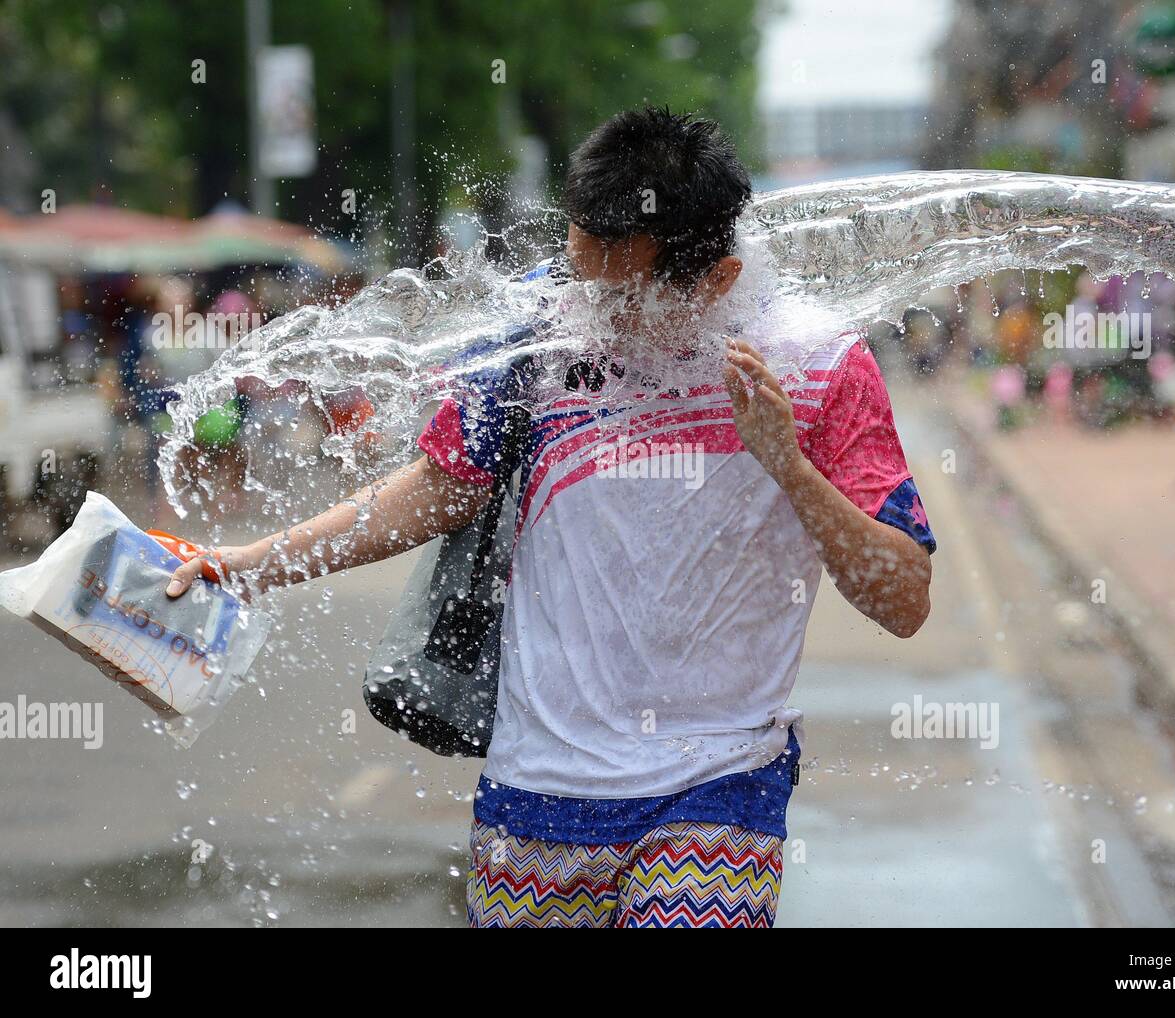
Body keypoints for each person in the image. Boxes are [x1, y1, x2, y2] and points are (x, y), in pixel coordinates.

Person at [165, 107, 936, 928]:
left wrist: (788, 465)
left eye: (620, 294)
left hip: (719, 788)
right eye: (578, 272)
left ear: (715, 280)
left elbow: (905, 598)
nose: (587, 310)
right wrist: (250, 563)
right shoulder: (534, 334)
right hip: (534, 801)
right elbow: (438, 487)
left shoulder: (819, 365)